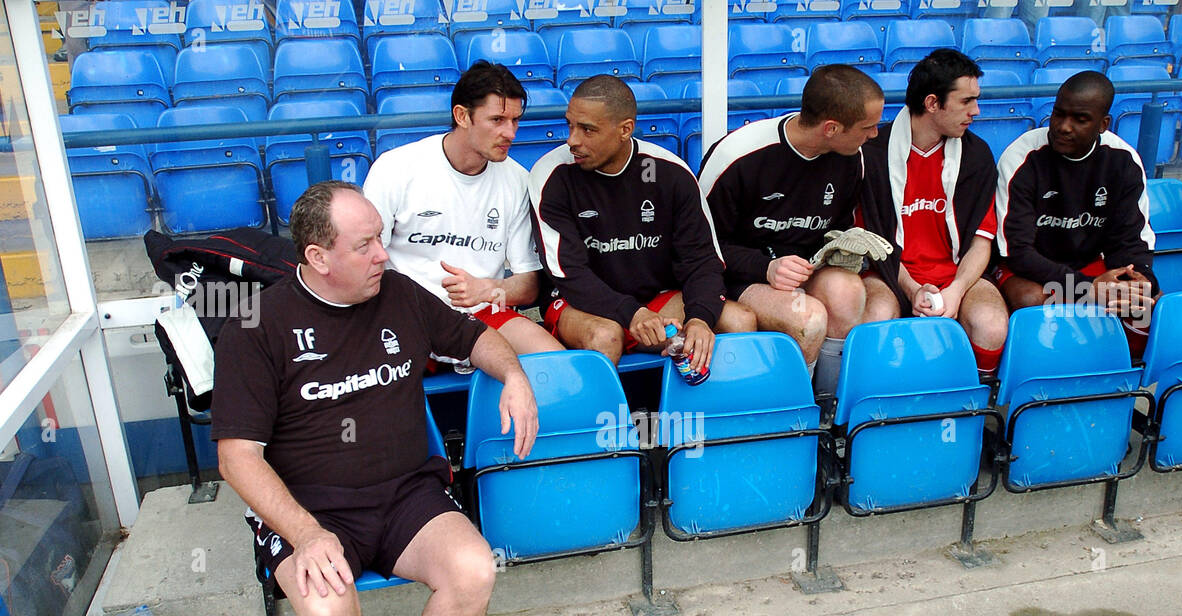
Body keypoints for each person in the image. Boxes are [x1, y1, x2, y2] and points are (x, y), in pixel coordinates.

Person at [210, 181, 539, 616]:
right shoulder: (257, 324)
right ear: (317, 257)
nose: (383, 255)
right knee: (327, 611)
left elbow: (478, 339)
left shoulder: (398, 294)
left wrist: (514, 377)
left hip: (403, 495)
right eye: (365, 245)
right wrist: (304, 533)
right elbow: (237, 458)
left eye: (382, 238)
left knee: (474, 569)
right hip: (310, 510)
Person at [528, 74, 754, 372]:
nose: (573, 140)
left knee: (738, 320)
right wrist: (632, 313)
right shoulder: (552, 175)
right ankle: (606, 418)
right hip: (579, 304)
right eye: (569, 125)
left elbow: (702, 260)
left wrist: (700, 319)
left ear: (625, 129)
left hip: (654, 303)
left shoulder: (671, 173)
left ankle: (715, 415)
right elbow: (569, 274)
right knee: (605, 336)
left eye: (587, 130)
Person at [363, 61, 562, 365]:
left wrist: (488, 288)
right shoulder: (396, 169)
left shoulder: (518, 180)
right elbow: (366, 258)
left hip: (483, 311)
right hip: (405, 313)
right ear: (461, 116)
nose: (510, 132)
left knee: (558, 363)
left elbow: (528, 285)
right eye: (497, 119)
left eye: (515, 121)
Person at [697, 64, 885, 386]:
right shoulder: (737, 156)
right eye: (867, 127)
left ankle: (829, 408)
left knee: (847, 291)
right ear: (831, 128)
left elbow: (835, 225)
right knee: (808, 319)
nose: (875, 134)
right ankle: (796, 408)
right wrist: (766, 268)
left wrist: (841, 246)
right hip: (740, 277)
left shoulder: (853, 156)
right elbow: (700, 248)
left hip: (804, 269)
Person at [860, 49, 1008, 379]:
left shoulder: (977, 155)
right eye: (966, 101)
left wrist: (956, 289)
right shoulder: (871, 153)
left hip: (958, 274)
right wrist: (912, 289)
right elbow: (869, 242)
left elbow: (982, 242)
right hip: (889, 272)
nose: (976, 111)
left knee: (992, 324)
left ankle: (974, 407)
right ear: (932, 103)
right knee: (875, 319)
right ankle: (868, 412)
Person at [994, 71, 1159, 362]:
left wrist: (1138, 279)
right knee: (1033, 300)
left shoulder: (1123, 160)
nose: (1063, 127)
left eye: (1079, 119)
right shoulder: (1022, 156)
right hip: (1027, 270)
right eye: (1058, 114)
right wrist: (1086, 288)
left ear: (1103, 124)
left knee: (1143, 301)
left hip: (1087, 266)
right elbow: (1018, 253)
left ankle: (1118, 378)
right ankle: (1039, 376)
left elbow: (1131, 241)